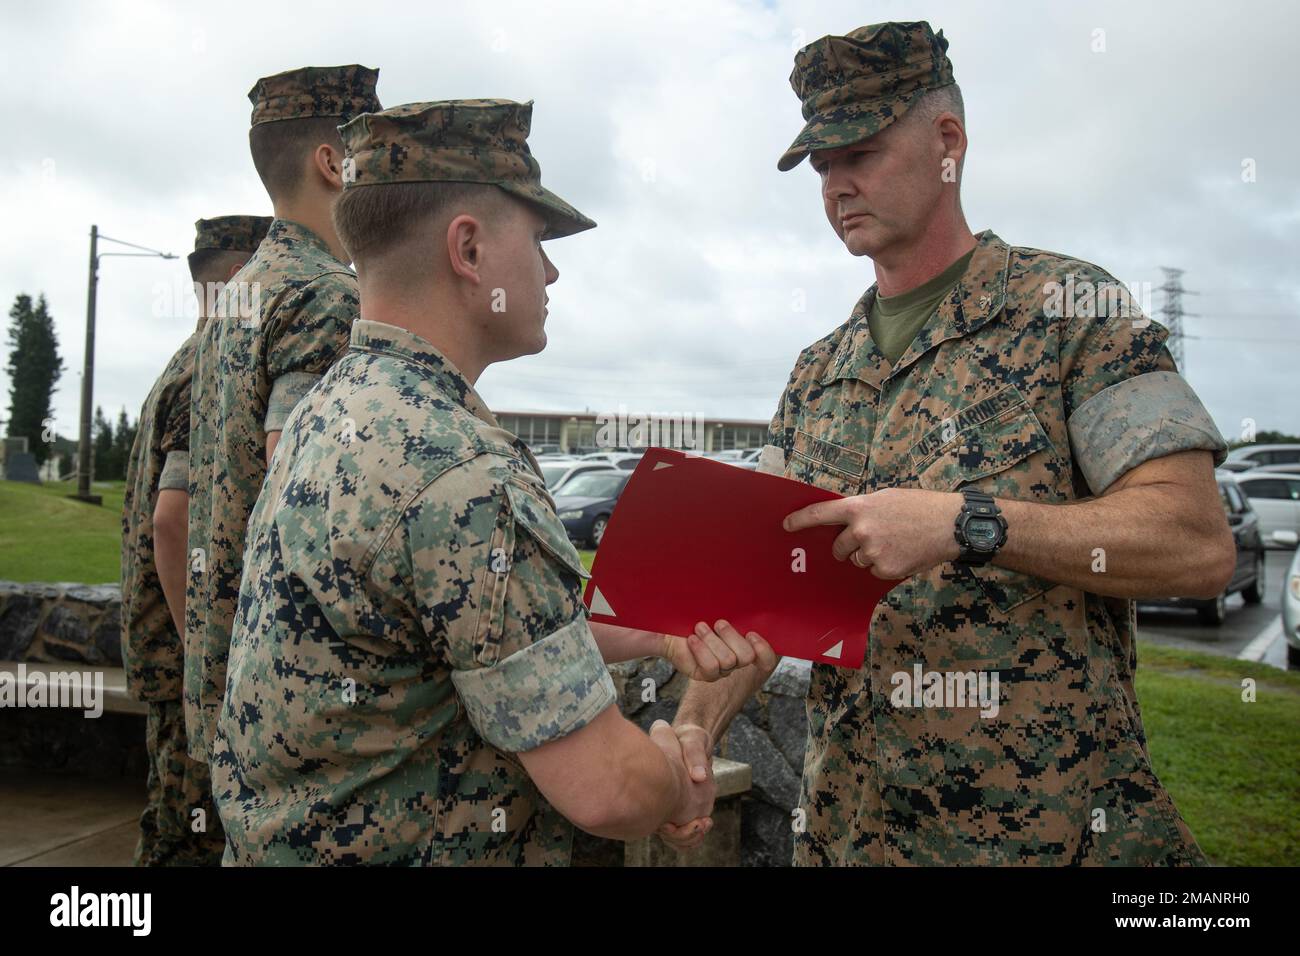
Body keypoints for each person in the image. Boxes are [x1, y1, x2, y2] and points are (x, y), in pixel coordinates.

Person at [668, 21, 1233, 866]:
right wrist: (691, 728)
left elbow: (1195, 544)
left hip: (1049, 838)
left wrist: (970, 525)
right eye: (821, 164)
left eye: (859, 149)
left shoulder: (1072, 310)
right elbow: (763, 596)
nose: (836, 183)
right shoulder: (818, 372)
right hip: (850, 836)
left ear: (947, 142)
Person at [209, 98, 774, 865]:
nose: (551, 269)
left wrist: (655, 632)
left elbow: (459, 628)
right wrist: (678, 774)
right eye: (537, 239)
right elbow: (609, 788)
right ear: (469, 250)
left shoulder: (330, 410)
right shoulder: (465, 473)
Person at [185, 65, 380, 763]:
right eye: (373, 157)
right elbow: (306, 487)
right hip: (298, 696)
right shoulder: (325, 294)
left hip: (228, 676)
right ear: (332, 163)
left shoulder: (241, 294)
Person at [120, 214, 271, 865]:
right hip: (189, 669)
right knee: (189, 841)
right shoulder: (202, 372)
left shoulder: (185, 362)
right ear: (241, 278)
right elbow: (172, 521)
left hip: (174, 664)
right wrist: (208, 662)